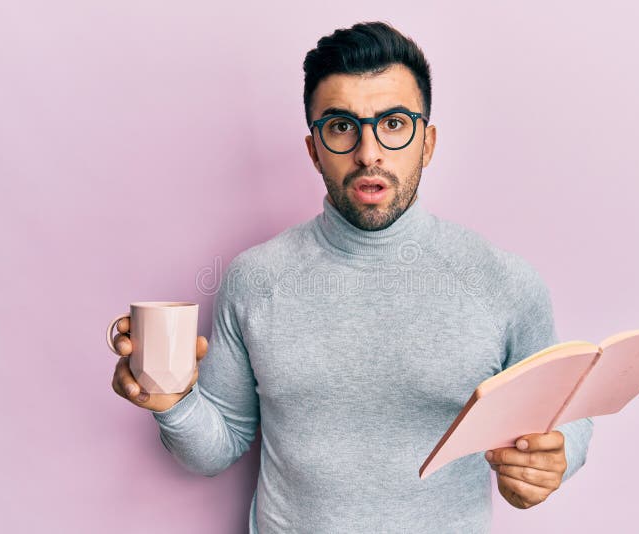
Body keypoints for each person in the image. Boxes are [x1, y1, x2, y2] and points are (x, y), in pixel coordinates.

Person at [109, 21, 593, 533]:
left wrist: (557, 458)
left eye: (393, 124)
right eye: (341, 126)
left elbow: (566, 413)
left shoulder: (504, 283)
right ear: (314, 148)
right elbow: (216, 446)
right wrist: (172, 401)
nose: (368, 153)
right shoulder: (255, 279)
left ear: (427, 143)